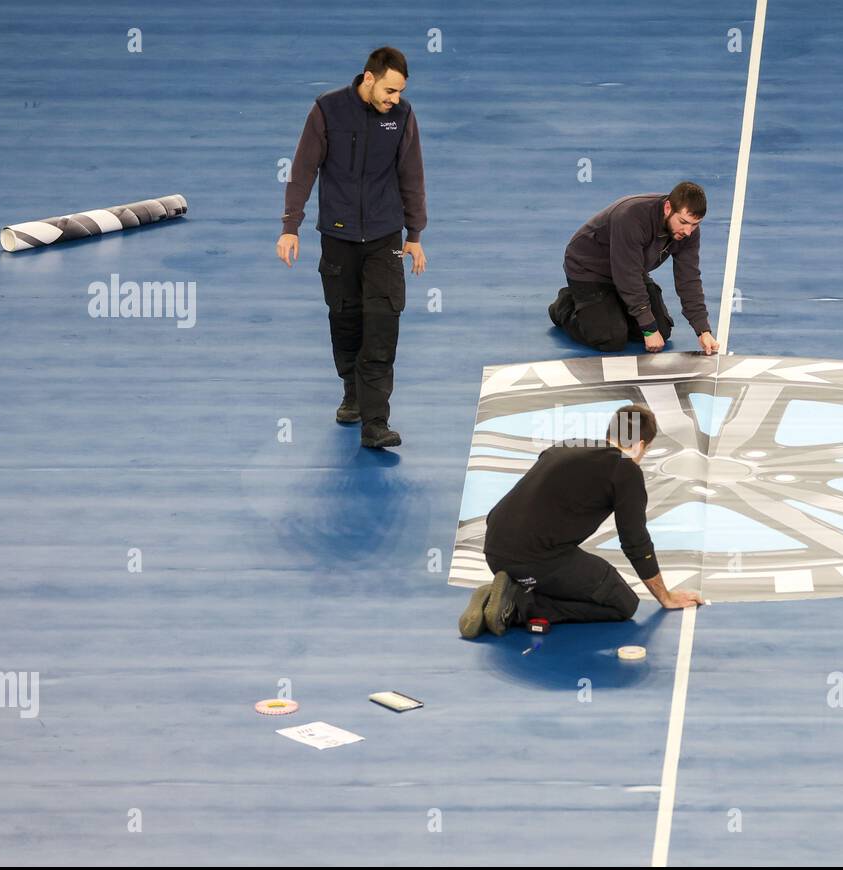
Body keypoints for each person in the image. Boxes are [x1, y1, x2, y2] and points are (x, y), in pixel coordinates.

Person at [276, 47, 428, 449]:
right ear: (368, 78)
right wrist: (290, 226)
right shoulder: (327, 111)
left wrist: (415, 235)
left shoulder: (402, 116)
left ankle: (376, 423)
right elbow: (303, 168)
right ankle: (352, 393)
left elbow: (411, 174)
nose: (394, 99)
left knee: (382, 323)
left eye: (399, 92)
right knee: (344, 319)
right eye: (389, 90)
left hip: (384, 239)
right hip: (337, 239)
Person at [459, 404, 704, 638]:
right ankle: (519, 606)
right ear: (640, 445)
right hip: (534, 558)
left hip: (494, 548)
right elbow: (635, 542)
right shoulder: (626, 470)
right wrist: (665, 596)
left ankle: (513, 589)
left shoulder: (564, 446)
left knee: (576, 571)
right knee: (623, 603)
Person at [549, 182, 720, 356]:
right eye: (683, 222)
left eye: (695, 224)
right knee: (611, 337)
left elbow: (689, 279)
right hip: (589, 269)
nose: (688, 231)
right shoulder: (631, 217)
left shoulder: (687, 232)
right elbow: (627, 276)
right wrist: (648, 329)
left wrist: (702, 330)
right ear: (668, 208)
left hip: (630, 266)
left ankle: (610, 306)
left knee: (662, 329)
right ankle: (565, 304)